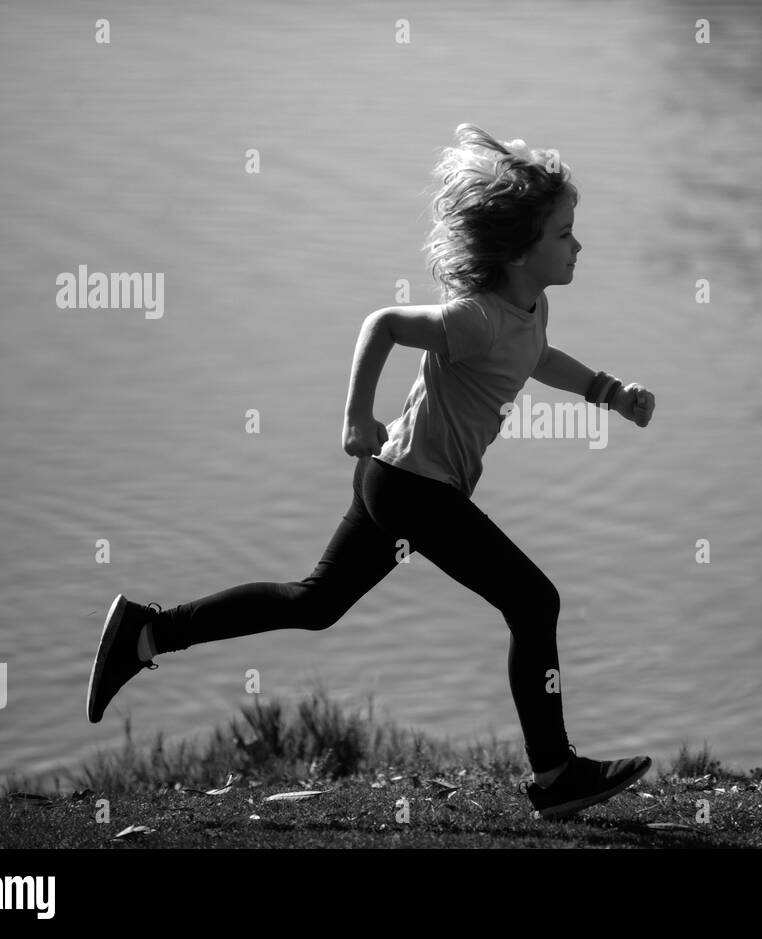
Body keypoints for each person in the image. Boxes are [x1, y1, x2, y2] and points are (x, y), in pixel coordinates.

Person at [86, 123, 657, 820]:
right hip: (415, 490)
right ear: (518, 251)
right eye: (564, 233)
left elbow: (534, 354)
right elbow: (382, 323)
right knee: (534, 602)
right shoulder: (474, 317)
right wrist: (356, 417)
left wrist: (606, 391)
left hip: (398, 483)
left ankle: (147, 631)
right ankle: (556, 771)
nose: (577, 244)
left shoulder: (525, 308)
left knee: (314, 602)